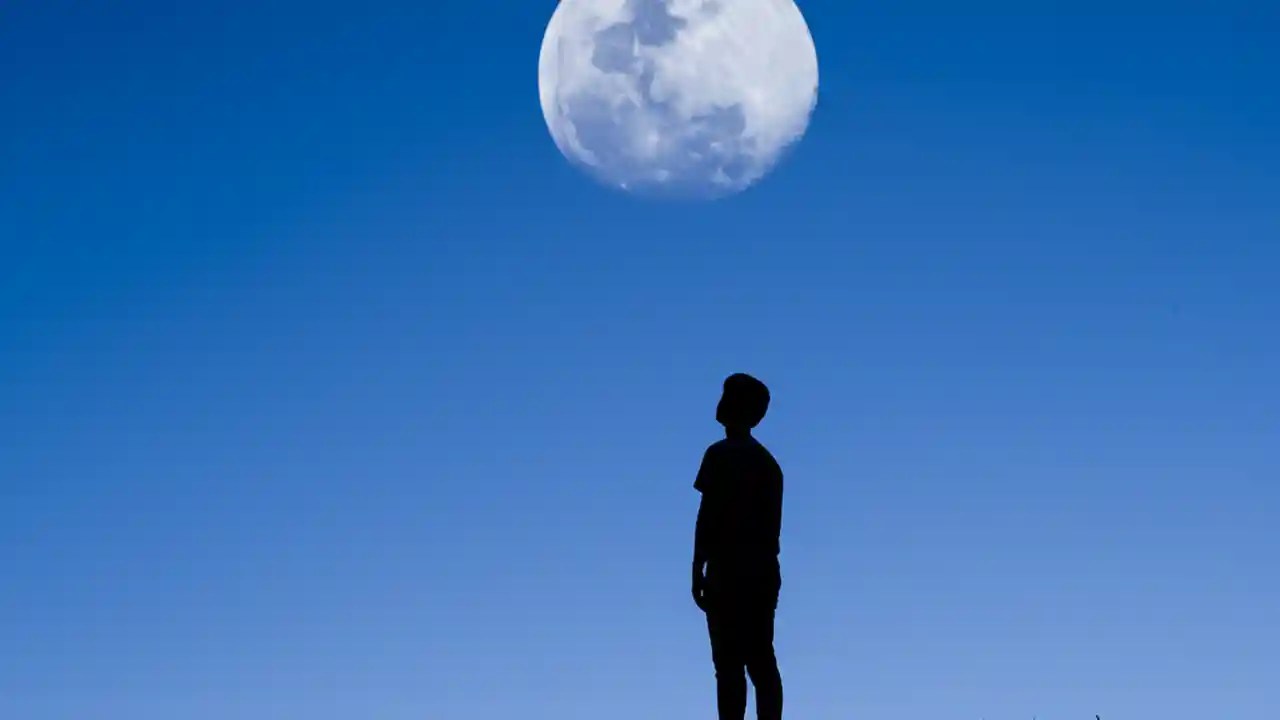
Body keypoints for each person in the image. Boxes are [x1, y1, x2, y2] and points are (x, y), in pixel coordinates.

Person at [691, 373, 784, 720]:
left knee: (737, 663)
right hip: (748, 572)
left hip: (734, 573)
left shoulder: (721, 456)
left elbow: (706, 517)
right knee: (753, 661)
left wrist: (697, 568)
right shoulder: (767, 464)